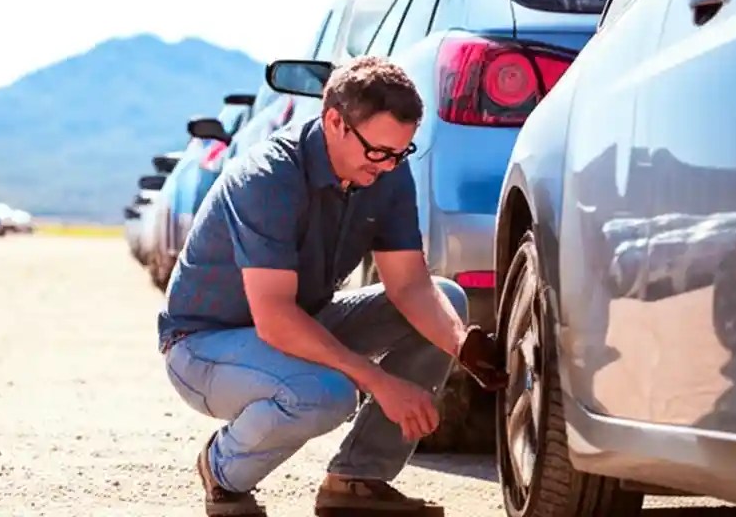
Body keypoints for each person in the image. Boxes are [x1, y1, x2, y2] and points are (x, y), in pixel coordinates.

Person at [157, 56, 507, 516]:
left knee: (450, 300)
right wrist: (380, 382)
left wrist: (464, 347)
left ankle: (357, 481)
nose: (388, 165)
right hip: (205, 347)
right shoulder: (268, 178)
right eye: (378, 151)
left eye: (401, 153)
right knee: (327, 393)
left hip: (300, 323)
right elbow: (276, 318)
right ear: (335, 122)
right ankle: (222, 471)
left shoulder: (387, 172)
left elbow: (411, 287)